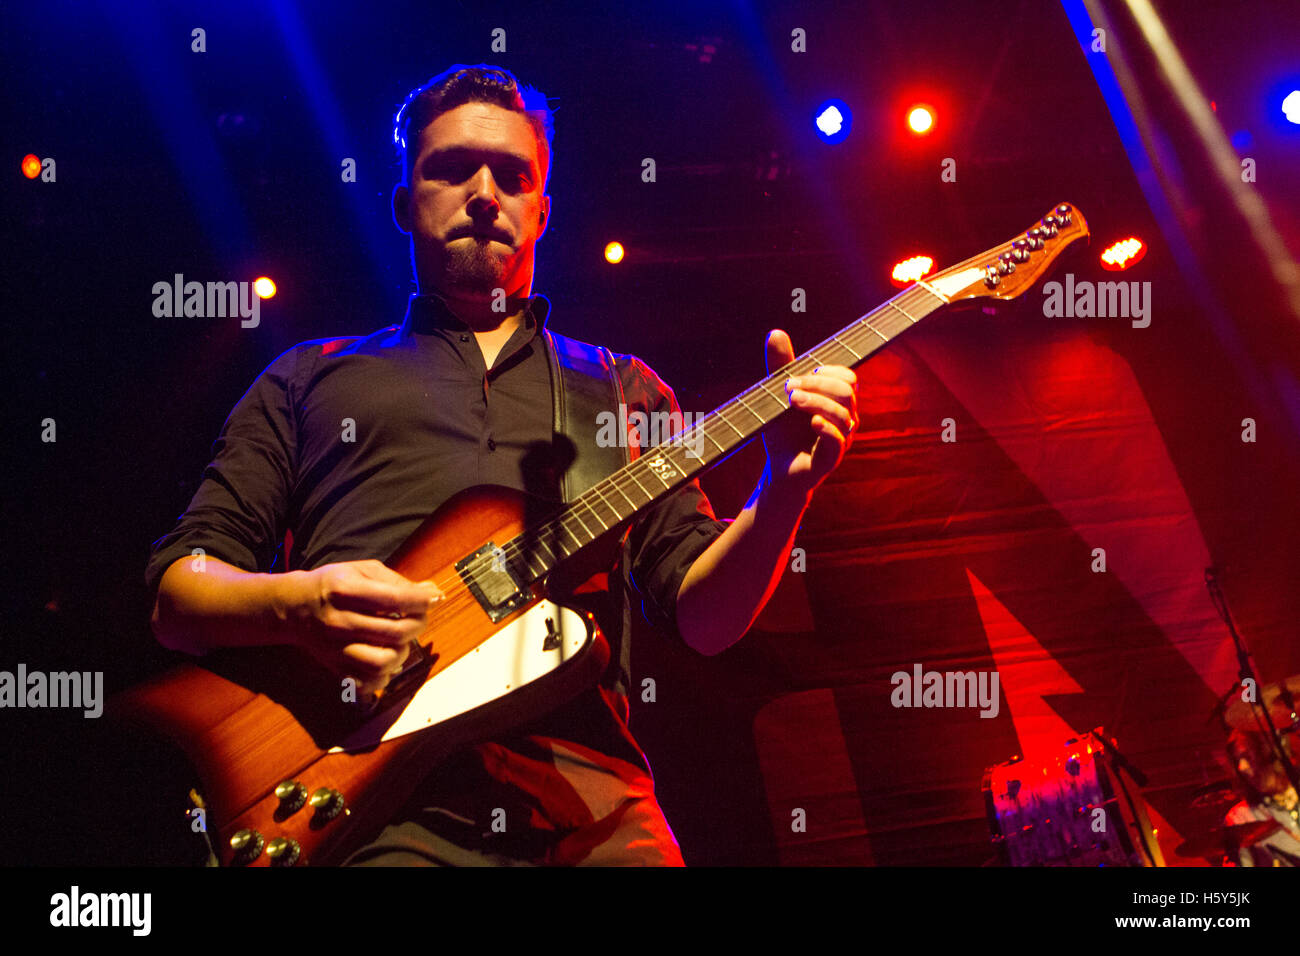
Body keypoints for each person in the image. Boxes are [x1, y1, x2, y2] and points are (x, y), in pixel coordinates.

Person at [145, 64, 859, 866]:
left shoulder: (621, 387)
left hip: (594, 810)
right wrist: (297, 606)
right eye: (450, 168)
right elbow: (181, 590)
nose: (484, 193)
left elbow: (704, 617)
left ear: (541, 210)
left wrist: (784, 490)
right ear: (402, 202)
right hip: (372, 805)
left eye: (512, 176)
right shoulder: (307, 377)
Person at [1222, 728, 1300, 866]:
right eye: (1237, 761)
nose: (1241, 767)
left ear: (1269, 753)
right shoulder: (1240, 817)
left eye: (1247, 756)